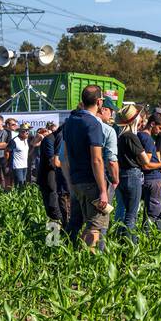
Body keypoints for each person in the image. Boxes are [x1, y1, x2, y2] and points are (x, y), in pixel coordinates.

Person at [115, 104, 161, 240]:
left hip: (123, 174)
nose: (142, 120)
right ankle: (131, 245)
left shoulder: (121, 136)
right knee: (132, 215)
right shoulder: (132, 137)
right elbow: (146, 163)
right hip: (133, 176)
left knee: (127, 211)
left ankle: (122, 240)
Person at [61, 86, 110, 251]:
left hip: (76, 180)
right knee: (95, 226)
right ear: (99, 102)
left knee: (86, 224)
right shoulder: (93, 123)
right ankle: (87, 264)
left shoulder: (69, 122)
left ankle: (70, 254)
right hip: (91, 181)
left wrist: (70, 182)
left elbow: (65, 157)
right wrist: (103, 190)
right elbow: (96, 159)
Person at [139, 113, 161, 230]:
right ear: (152, 124)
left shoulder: (138, 135)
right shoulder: (147, 139)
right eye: (160, 128)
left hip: (147, 179)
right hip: (153, 179)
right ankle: (149, 237)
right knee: (153, 213)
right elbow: (146, 165)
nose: (160, 131)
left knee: (155, 210)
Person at [9, 123, 32, 188]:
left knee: (23, 183)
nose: (27, 132)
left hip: (25, 166)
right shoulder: (14, 141)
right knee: (19, 184)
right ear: (20, 132)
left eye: (27, 131)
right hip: (17, 166)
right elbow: (7, 151)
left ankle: (21, 197)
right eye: (24, 131)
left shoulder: (26, 140)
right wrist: (7, 163)